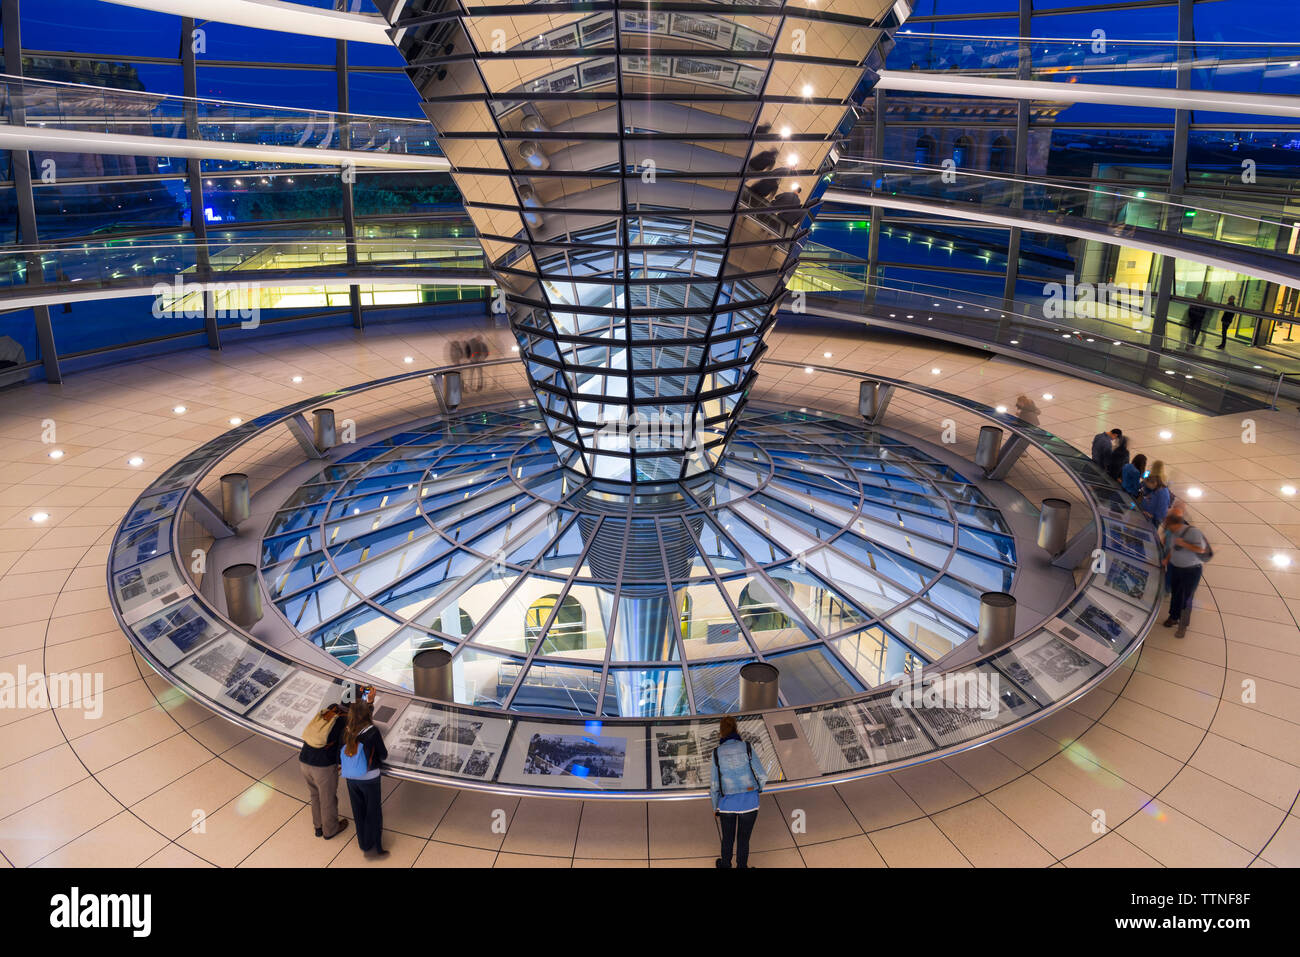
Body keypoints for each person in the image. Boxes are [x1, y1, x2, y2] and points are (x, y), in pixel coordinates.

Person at [708, 715, 769, 869]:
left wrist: (716, 807)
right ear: (736, 729)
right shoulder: (747, 747)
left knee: (727, 838)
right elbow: (762, 775)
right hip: (750, 803)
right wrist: (757, 790)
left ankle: (725, 865)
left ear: (722, 732)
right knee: (744, 839)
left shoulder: (717, 753)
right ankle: (742, 866)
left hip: (727, 805)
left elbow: (714, 785)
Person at [340, 695, 390, 858]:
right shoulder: (372, 731)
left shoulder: (348, 729)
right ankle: (377, 846)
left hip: (351, 777)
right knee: (373, 812)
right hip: (370, 777)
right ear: (367, 714)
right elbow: (383, 754)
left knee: (358, 810)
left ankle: (363, 842)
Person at [299, 702, 350, 840]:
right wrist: (341, 763)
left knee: (315, 794)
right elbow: (343, 746)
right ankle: (331, 830)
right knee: (328, 799)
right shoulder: (344, 721)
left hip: (304, 759)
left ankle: (318, 827)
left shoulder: (329, 709)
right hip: (322, 766)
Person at [1162, 513, 1209, 637]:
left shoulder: (1193, 532)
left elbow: (1201, 550)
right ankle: (1173, 617)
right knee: (1175, 594)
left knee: (1186, 598)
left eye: (1168, 525)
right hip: (1176, 568)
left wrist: (1184, 544)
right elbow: (1172, 548)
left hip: (1191, 571)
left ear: (1176, 524)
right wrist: (1167, 559)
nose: (1166, 528)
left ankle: (1183, 626)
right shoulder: (1172, 532)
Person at [1138, 460, 1172, 526]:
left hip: (1151, 521)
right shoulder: (1164, 478)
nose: (1147, 486)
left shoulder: (1148, 474)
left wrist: (1151, 516)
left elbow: (1161, 512)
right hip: (1145, 516)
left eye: (1148, 484)